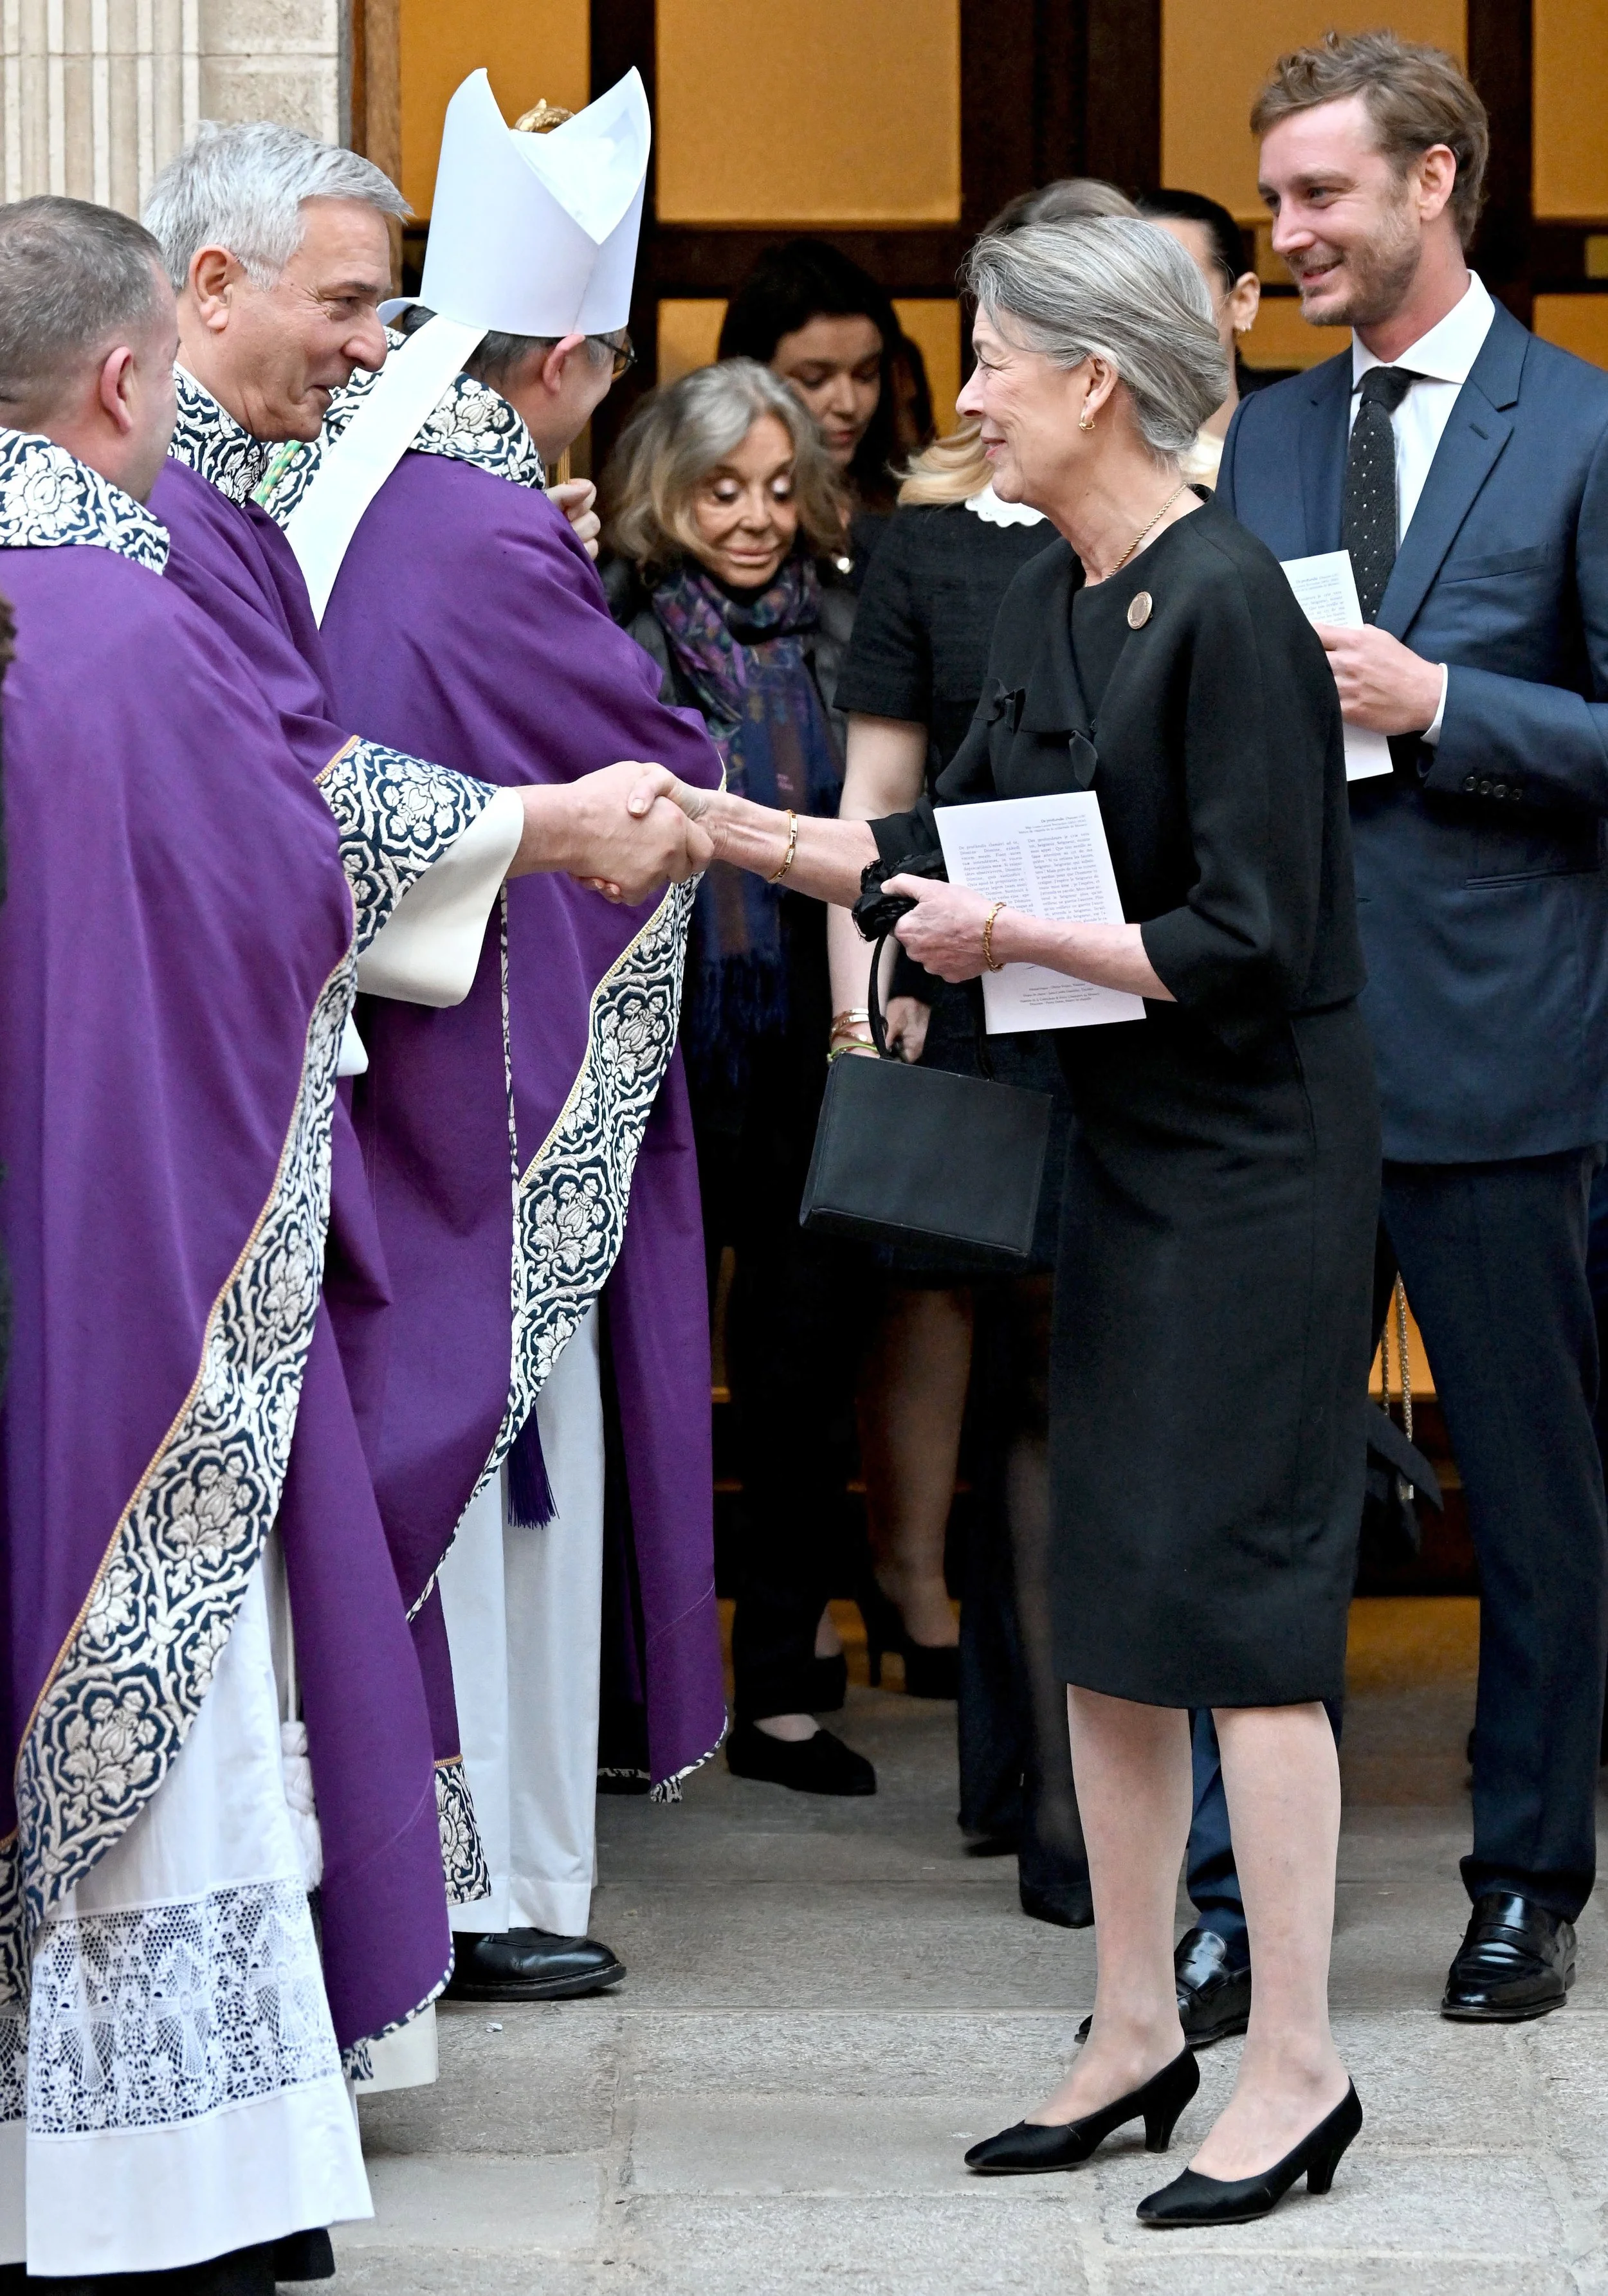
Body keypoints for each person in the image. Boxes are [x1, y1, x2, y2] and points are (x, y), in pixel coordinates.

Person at [639, 212, 1379, 2226]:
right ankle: (1133, 2022)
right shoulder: (1059, 594)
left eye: (993, 362)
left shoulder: (1220, 603)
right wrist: (716, 823)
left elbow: (1251, 935)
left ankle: (1294, 2061)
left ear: (1095, 385)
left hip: (1250, 1178)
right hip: (1123, 1164)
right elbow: (920, 852)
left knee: (1237, 1621)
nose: (958, 396)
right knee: (1115, 1621)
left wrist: (1009, 933)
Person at [142, 115, 712, 2021]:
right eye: (345, 302)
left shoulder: (285, 482)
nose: (371, 343)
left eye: (389, 306)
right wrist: (594, 820)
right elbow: (298, 788)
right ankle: (435, 1887)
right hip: (362, 1078)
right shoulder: (357, 508)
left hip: (331, 1042)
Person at [0, 195, 454, 2291]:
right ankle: (152, 2199)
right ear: (121, 378)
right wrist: (544, 826)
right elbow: (290, 882)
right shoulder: (126, 631)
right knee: (141, 1713)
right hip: (109, 1258)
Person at [1208, 28, 1608, 2028]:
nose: (1281, 232)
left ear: (1431, 182)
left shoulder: (1583, 426)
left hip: (1501, 1043)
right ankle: (1219, 1896)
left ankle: (1524, 1876)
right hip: (1267, 1040)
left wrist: (1441, 703)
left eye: (1314, 196)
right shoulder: (1264, 433)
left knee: (1529, 1494)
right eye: (1274, 197)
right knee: (1248, 1476)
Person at [831, 177, 1131, 1925]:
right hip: (964, 995)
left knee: (1115, 1391)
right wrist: (852, 999)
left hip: (1137, 1003)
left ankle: (1131, 1794)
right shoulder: (933, 547)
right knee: (1021, 1382)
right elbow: (875, 795)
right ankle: (1032, 1799)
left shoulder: (1194, 545)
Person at [601, 358, 877, 1795]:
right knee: (625, 1368)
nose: (757, 517)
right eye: (723, 490)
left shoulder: (842, 626)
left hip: (805, 1045)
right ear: (667, 491)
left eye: (780, 488)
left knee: (798, 1373)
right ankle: (627, 1697)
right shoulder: (616, 623)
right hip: (654, 1040)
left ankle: (778, 1685)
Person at [718, 237, 911, 572]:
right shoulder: (704, 520)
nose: (848, 404)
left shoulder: (914, 510)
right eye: (814, 380)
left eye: (866, 375)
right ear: (749, 376)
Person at [1137, 188, 1261, 483]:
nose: (1149, 311)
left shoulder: (1296, 452)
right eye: (1129, 290)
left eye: (1178, 287)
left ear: (1242, 301)